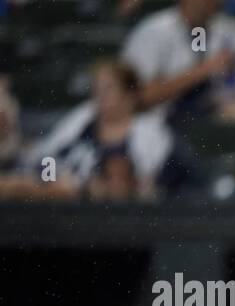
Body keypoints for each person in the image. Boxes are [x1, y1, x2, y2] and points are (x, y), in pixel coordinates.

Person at [6, 60, 171, 201]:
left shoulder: (150, 130)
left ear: (130, 95)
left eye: (107, 89)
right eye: (96, 89)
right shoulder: (84, 116)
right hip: (67, 197)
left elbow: (148, 184)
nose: (99, 95)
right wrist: (49, 181)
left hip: (123, 212)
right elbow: (47, 155)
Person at [121, 0, 235, 123]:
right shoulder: (153, 31)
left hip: (217, 123)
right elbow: (137, 98)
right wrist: (201, 72)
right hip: (162, 125)